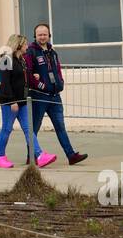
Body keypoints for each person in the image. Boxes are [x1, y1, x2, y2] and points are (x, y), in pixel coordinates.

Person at [24, 24, 88, 165]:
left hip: (55, 96)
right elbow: (28, 73)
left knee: (60, 126)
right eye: (39, 34)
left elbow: (57, 70)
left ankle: (71, 156)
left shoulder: (53, 52)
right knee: (34, 128)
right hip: (39, 96)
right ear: (35, 36)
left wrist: (60, 83)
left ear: (49, 35)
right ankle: (31, 156)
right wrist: (41, 85)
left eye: (45, 34)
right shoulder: (30, 52)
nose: (42, 37)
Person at [0, 34, 57, 169]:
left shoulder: (21, 60)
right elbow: (5, 83)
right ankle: (0, 157)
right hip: (9, 102)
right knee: (6, 129)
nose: (27, 46)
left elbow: (20, 80)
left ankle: (40, 155)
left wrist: (33, 77)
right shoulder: (5, 60)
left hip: (23, 101)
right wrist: (12, 102)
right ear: (18, 45)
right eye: (25, 44)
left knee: (28, 129)